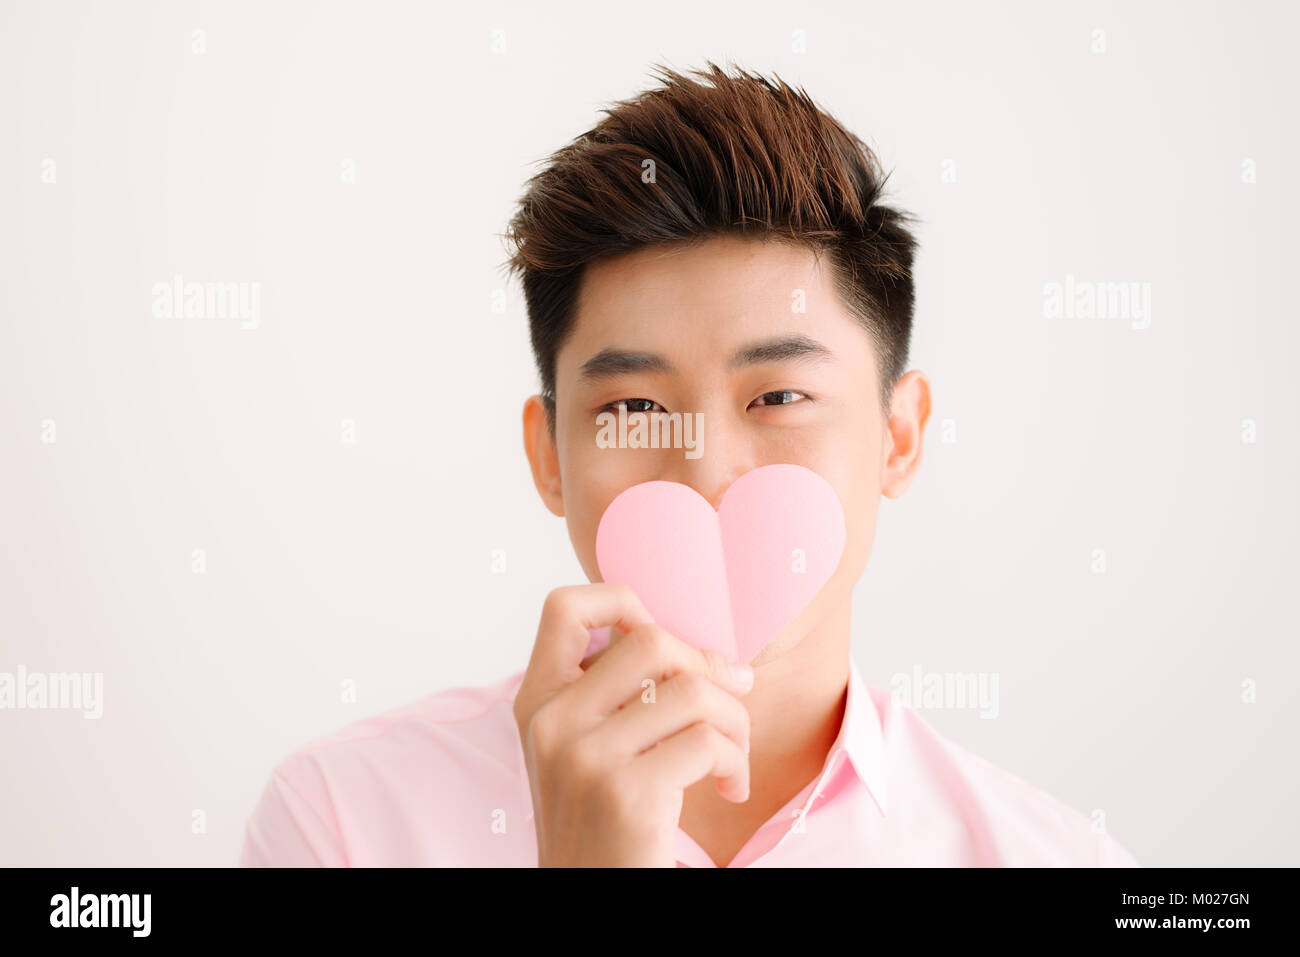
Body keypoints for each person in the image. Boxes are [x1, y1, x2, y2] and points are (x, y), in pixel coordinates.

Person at [240, 61, 1139, 868]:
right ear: (548, 458)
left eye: (778, 397)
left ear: (898, 436)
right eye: (633, 408)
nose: (706, 471)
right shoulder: (341, 824)